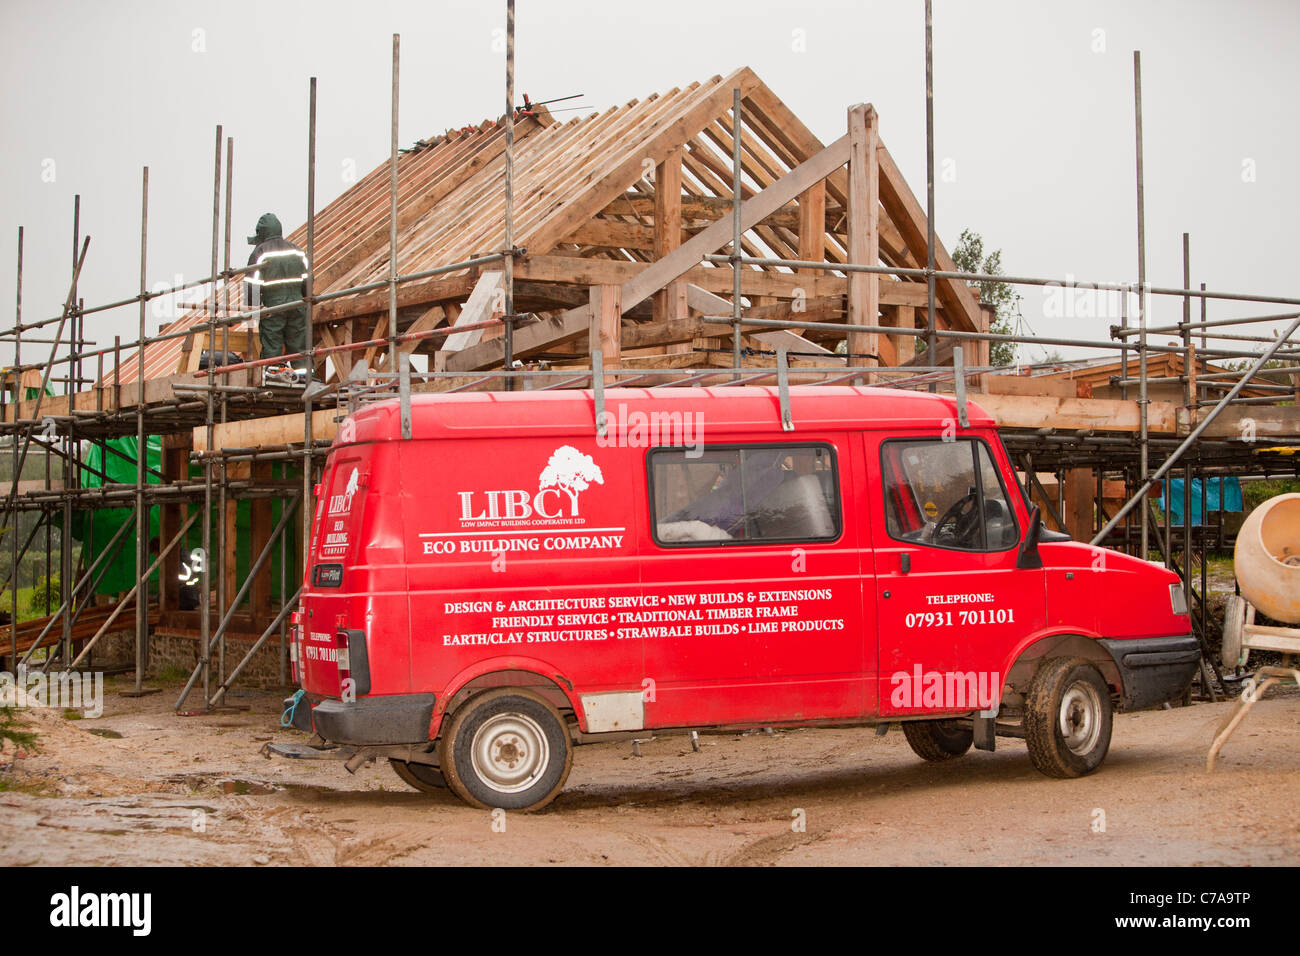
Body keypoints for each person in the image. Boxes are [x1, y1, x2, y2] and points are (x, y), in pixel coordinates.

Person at [245, 213, 309, 379]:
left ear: (262, 233)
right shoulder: (297, 251)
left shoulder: (260, 252)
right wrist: (306, 298)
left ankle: (275, 375)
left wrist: (253, 307)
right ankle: (303, 377)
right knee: (298, 344)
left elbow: (252, 283)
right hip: (297, 303)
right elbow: (307, 279)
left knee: (272, 343)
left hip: (273, 306)